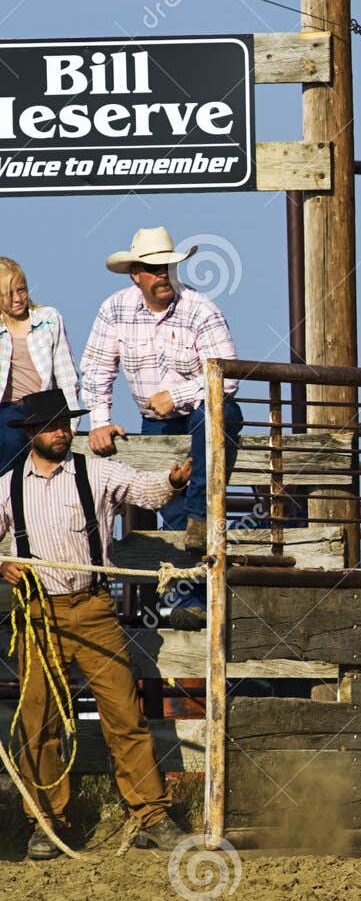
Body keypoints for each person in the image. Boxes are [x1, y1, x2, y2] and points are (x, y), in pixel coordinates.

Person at [0, 389, 193, 860]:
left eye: (66, 423)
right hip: (37, 612)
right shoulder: (6, 487)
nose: (62, 432)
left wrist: (173, 479)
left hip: (92, 608)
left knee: (124, 715)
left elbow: (145, 489)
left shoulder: (96, 470)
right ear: (31, 434)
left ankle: (150, 814)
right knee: (37, 720)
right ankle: (47, 822)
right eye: (51, 426)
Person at [80, 227, 242, 624]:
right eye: (152, 269)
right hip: (157, 422)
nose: (162, 275)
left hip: (204, 412)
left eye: (166, 267)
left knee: (215, 415)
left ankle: (201, 513)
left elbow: (228, 377)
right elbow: (96, 369)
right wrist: (99, 421)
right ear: (135, 274)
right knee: (171, 510)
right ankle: (194, 600)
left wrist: (178, 395)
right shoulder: (114, 309)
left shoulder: (200, 308)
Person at [0, 256, 81, 480]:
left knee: (54, 452)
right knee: (10, 440)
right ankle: (8, 497)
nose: (17, 299)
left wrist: (71, 422)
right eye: (8, 294)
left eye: (22, 290)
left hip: (43, 405)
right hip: (7, 408)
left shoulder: (48, 319)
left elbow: (66, 374)